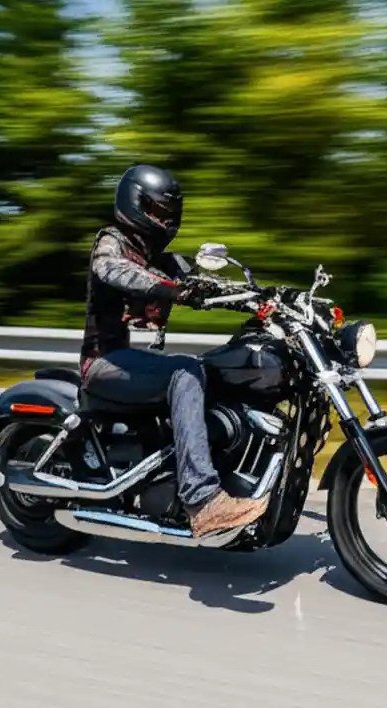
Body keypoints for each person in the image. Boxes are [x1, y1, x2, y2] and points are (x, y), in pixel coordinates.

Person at [80, 164, 269, 536]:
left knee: (212, 370)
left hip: (129, 362)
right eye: (159, 212)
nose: (166, 221)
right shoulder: (112, 241)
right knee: (186, 371)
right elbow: (113, 271)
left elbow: (206, 286)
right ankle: (202, 501)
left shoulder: (162, 258)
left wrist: (262, 300)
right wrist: (172, 290)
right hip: (102, 362)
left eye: (171, 214)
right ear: (135, 205)